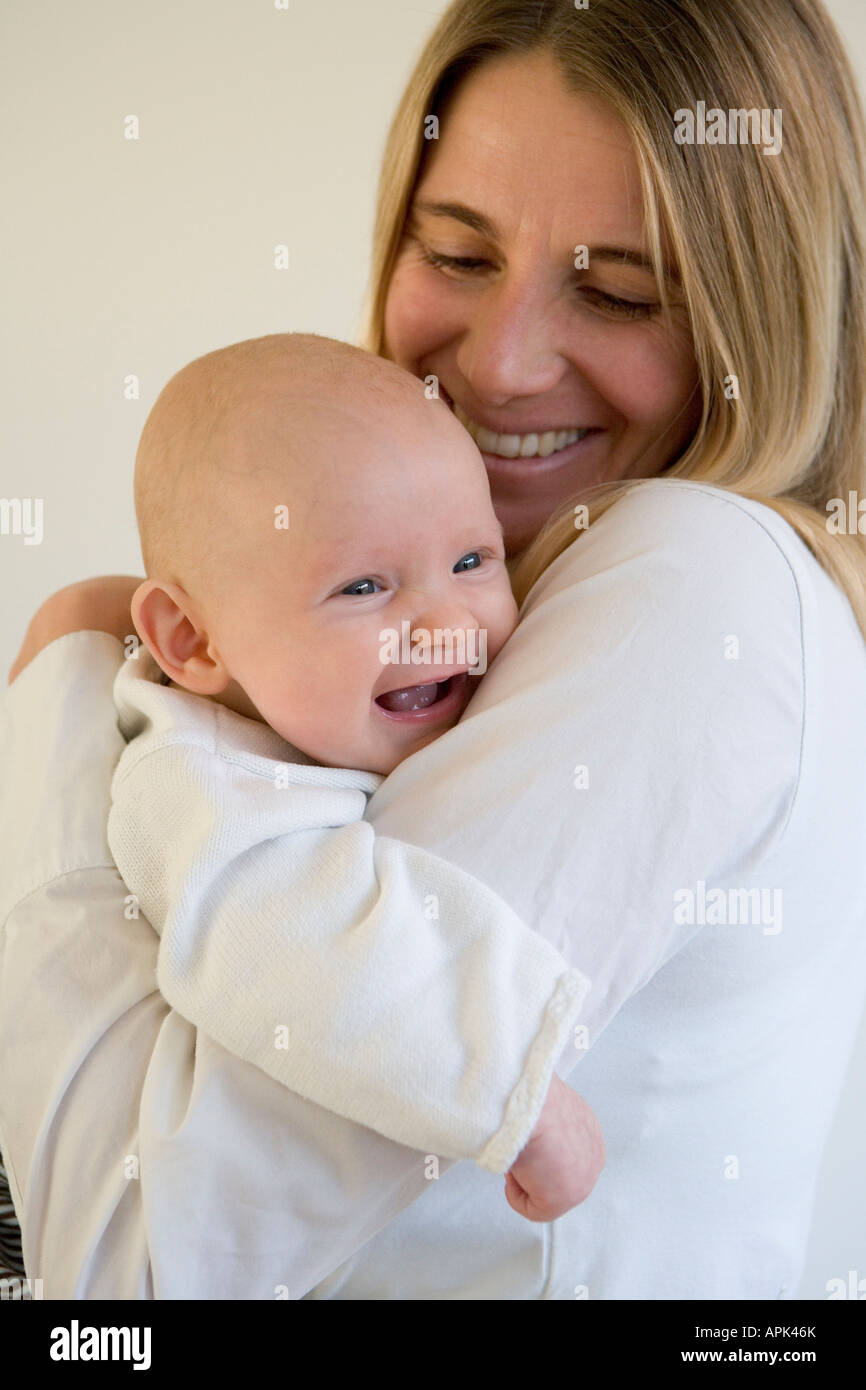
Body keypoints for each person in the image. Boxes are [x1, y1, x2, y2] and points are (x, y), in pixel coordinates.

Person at [3, 0, 866, 1300]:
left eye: (616, 289)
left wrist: (66, 700)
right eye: (457, 256)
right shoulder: (423, 652)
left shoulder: (694, 578)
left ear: (756, 323)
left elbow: (122, 1276)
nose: (502, 363)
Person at [107, 329, 603, 1216]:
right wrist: (515, 1096)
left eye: (470, 561)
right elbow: (308, 954)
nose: (443, 619)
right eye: (364, 588)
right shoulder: (198, 783)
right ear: (191, 640)